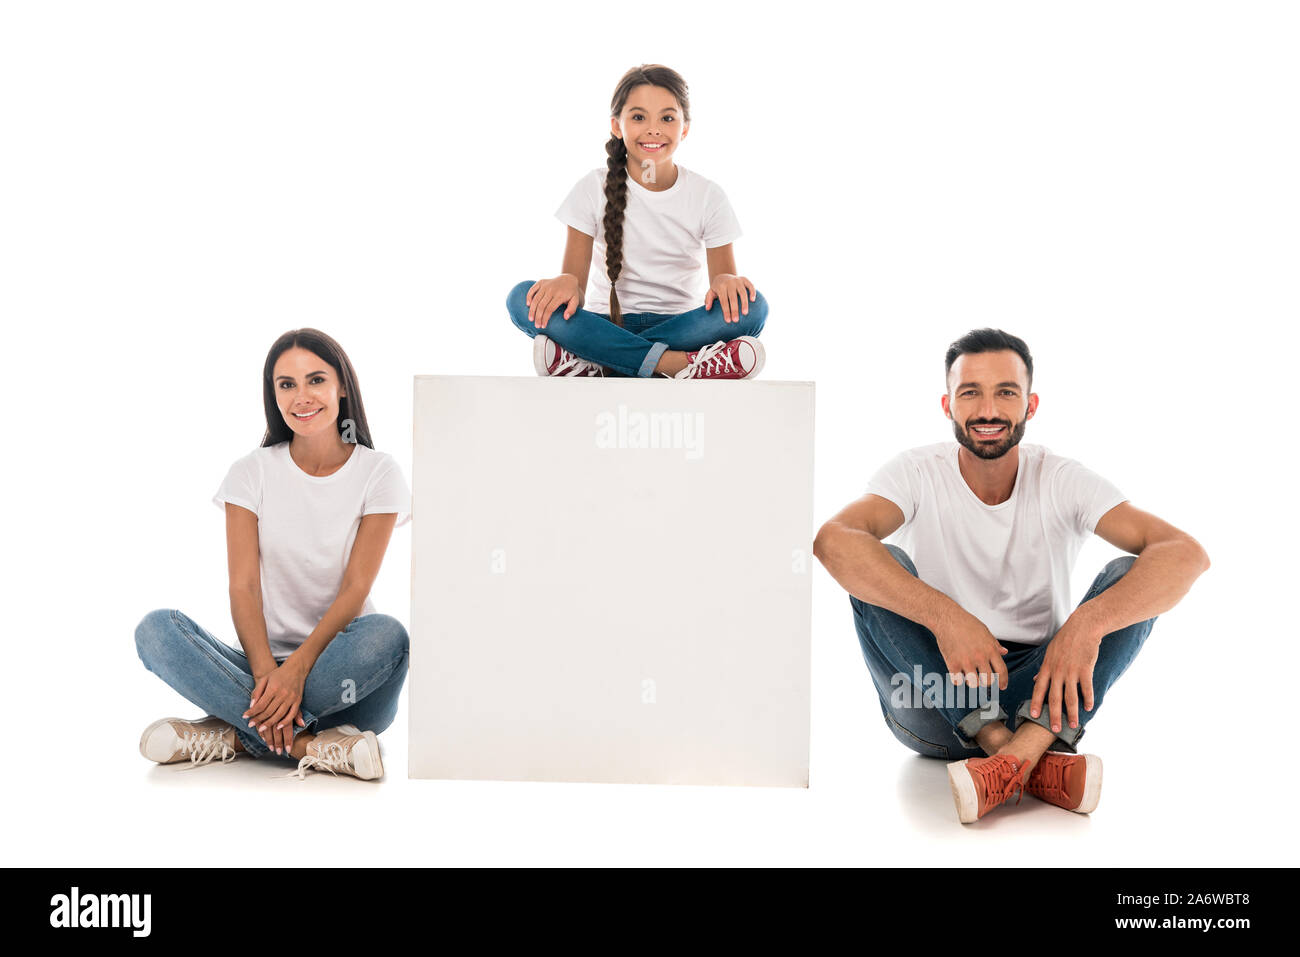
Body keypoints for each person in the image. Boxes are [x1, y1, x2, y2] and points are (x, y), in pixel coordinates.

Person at [813, 329, 1209, 823]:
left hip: (1035, 694)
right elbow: (833, 541)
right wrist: (947, 618)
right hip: (931, 693)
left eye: (1006, 392)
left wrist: (1085, 628)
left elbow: (1185, 554)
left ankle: (1009, 763)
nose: (988, 410)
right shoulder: (914, 472)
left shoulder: (1063, 478)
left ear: (1030, 404)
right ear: (947, 404)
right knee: (875, 562)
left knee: (1133, 575)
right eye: (970, 392)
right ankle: (1023, 757)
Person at [134, 328, 411, 781]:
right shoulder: (251, 472)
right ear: (274, 395)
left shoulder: (378, 473)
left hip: (343, 676)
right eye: (287, 384)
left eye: (316, 380)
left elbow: (356, 588)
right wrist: (269, 672)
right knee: (156, 631)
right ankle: (310, 744)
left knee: (388, 636)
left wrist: (296, 672)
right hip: (260, 665)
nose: (302, 396)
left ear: (341, 385)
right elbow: (242, 587)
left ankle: (230, 733)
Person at [507, 63, 767, 380]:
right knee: (522, 298)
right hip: (604, 323)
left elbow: (723, 281)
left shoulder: (708, 195)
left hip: (683, 326)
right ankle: (679, 365)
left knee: (754, 309)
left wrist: (728, 283)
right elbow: (573, 286)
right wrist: (565, 283)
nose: (653, 129)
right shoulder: (592, 187)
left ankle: (597, 362)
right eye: (639, 117)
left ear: (685, 128)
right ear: (617, 126)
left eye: (667, 118)